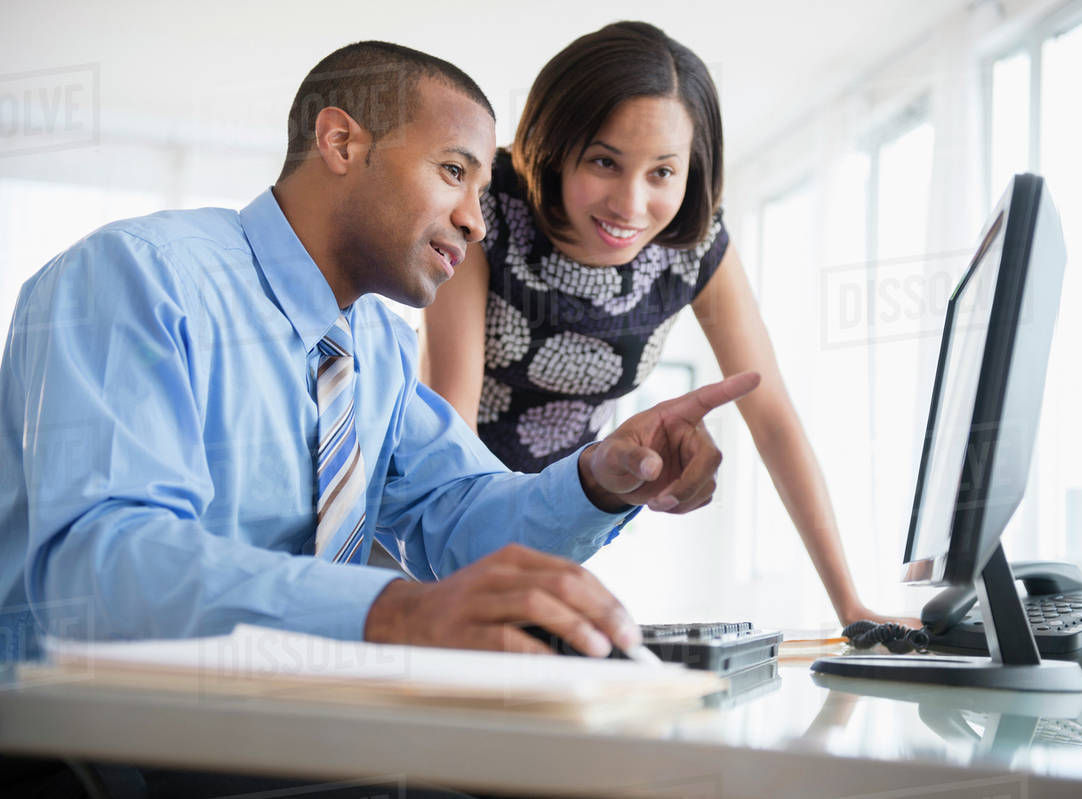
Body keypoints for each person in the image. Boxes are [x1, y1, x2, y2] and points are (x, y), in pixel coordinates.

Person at [0, 40, 759, 664]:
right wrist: (394, 612)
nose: (476, 219)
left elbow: (463, 522)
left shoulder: (377, 354)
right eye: (454, 171)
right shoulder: (139, 276)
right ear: (341, 142)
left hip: (294, 745)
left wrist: (600, 476)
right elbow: (100, 571)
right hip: (98, 753)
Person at [422, 21, 904, 627]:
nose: (630, 204)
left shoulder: (695, 245)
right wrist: (454, 586)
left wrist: (851, 607)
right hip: (441, 510)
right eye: (604, 161)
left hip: (562, 512)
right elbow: (451, 406)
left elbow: (773, 417)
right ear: (554, 142)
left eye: (662, 172)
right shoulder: (488, 205)